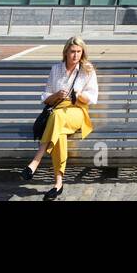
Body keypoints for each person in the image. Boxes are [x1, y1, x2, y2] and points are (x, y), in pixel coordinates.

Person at [22, 35, 98, 200]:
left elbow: (93, 98)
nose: (75, 55)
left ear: (83, 53)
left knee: (57, 118)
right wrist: (57, 94)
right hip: (57, 112)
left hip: (77, 112)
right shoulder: (56, 69)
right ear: (66, 52)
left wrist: (77, 95)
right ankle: (58, 183)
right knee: (60, 134)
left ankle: (36, 159)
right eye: (72, 51)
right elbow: (46, 98)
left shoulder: (87, 70)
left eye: (79, 51)